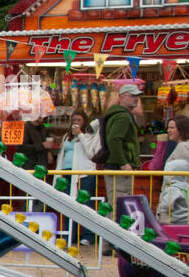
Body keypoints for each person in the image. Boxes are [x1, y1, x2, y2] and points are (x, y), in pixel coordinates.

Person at [100, 85, 144, 237]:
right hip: (119, 167)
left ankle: (109, 242)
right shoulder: (123, 116)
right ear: (123, 96)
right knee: (119, 204)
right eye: (132, 95)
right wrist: (124, 163)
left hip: (113, 166)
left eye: (137, 95)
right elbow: (114, 139)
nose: (136, 98)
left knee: (113, 204)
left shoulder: (115, 114)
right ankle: (115, 242)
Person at [57, 111, 97, 245]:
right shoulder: (66, 137)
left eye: (79, 120)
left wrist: (80, 134)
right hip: (67, 173)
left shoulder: (88, 135)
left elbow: (91, 152)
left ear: (84, 121)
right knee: (67, 204)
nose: (76, 122)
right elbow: (62, 154)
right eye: (74, 120)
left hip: (84, 173)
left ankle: (88, 235)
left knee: (85, 204)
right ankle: (70, 234)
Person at [157, 140, 189, 225]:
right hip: (186, 219)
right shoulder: (186, 186)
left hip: (176, 220)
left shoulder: (173, 189)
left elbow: (167, 204)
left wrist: (162, 208)